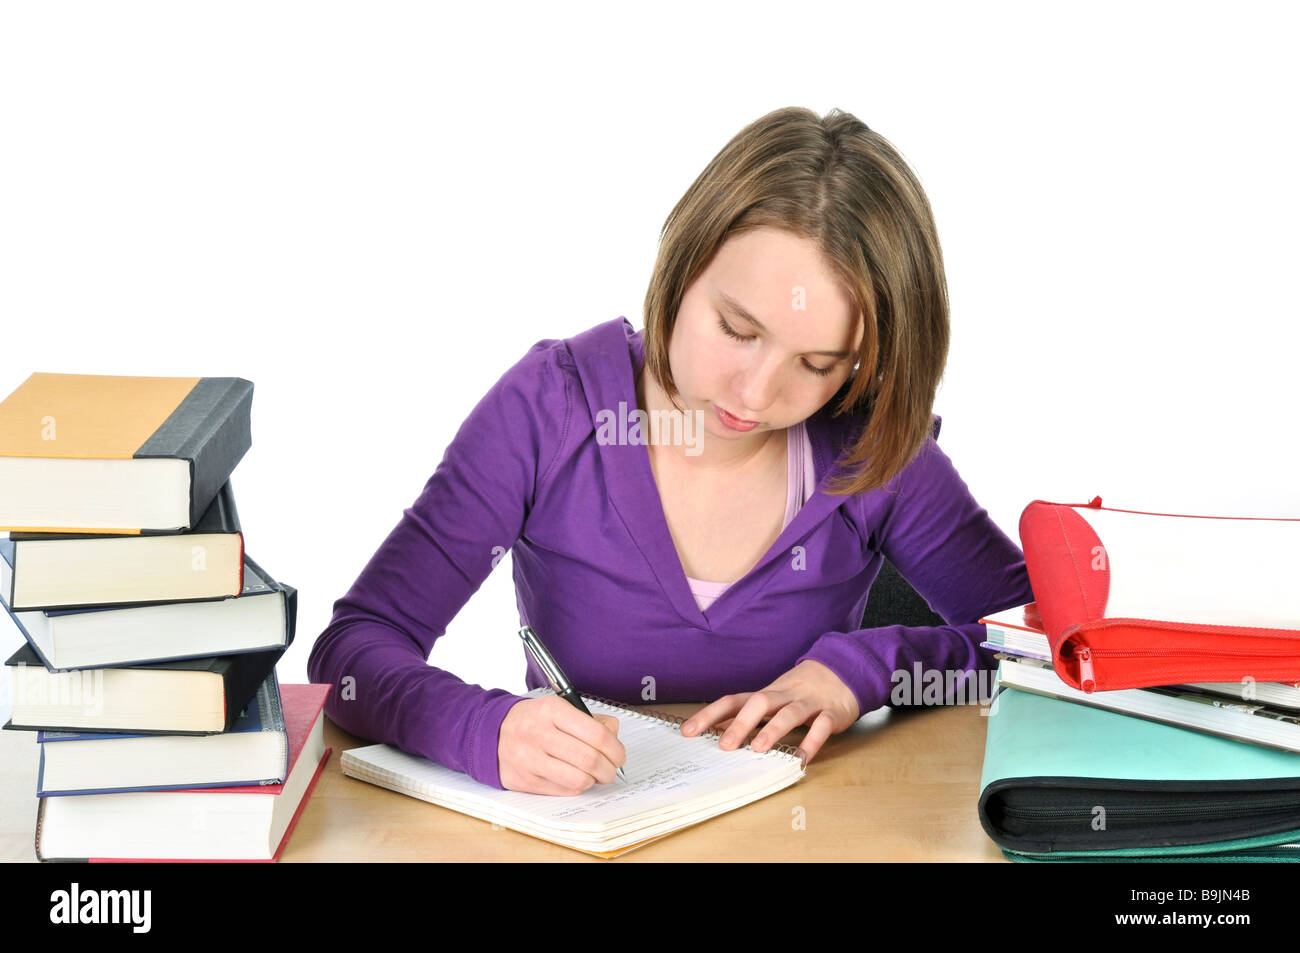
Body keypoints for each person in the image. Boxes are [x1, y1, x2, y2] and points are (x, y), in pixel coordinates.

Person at [306, 106, 1036, 796]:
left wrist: (869, 665)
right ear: (684, 266)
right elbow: (353, 652)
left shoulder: (874, 448)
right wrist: (481, 729)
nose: (754, 393)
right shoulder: (549, 409)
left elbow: (1054, 646)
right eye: (736, 328)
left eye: (817, 364)